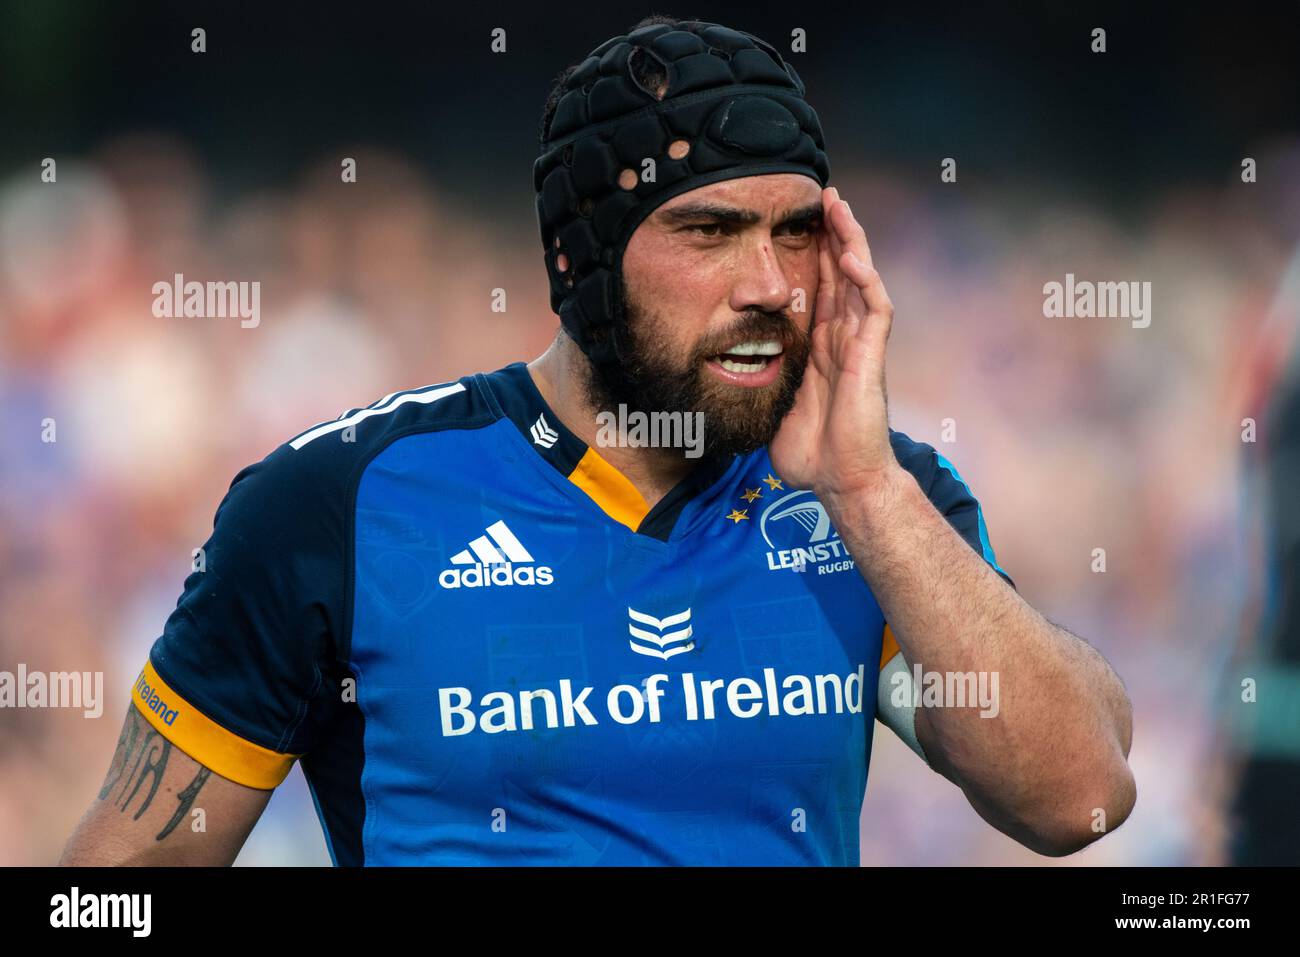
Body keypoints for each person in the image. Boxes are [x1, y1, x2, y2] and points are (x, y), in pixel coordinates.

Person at [61, 15, 1134, 866]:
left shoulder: (878, 504)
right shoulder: (339, 503)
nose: (768, 286)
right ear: (582, 263)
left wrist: (867, 492)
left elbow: (1077, 799)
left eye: (795, 232)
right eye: (708, 232)